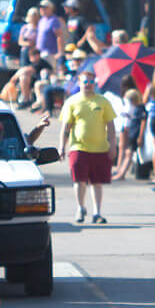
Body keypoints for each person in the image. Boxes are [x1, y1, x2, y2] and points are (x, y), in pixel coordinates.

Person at [59, 71, 116, 225]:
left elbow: (110, 125)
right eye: (85, 81)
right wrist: (61, 147)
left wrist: (113, 146)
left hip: (100, 149)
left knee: (97, 182)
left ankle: (97, 212)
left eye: (91, 81)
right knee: (79, 180)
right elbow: (66, 126)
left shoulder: (103, 101)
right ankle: (80, 208)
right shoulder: (72, 102)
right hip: (78, 147)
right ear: (79, 83)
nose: (88, 84)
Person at [35, 0, 66, 68]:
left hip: (50, 53)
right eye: (41, 8)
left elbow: (59, 36)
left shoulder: (54, 20)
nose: (42, 10)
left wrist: (60, 52)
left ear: (50, 8)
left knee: (49, 71)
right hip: (40, 52)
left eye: (44, 8)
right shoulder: (41, 20)